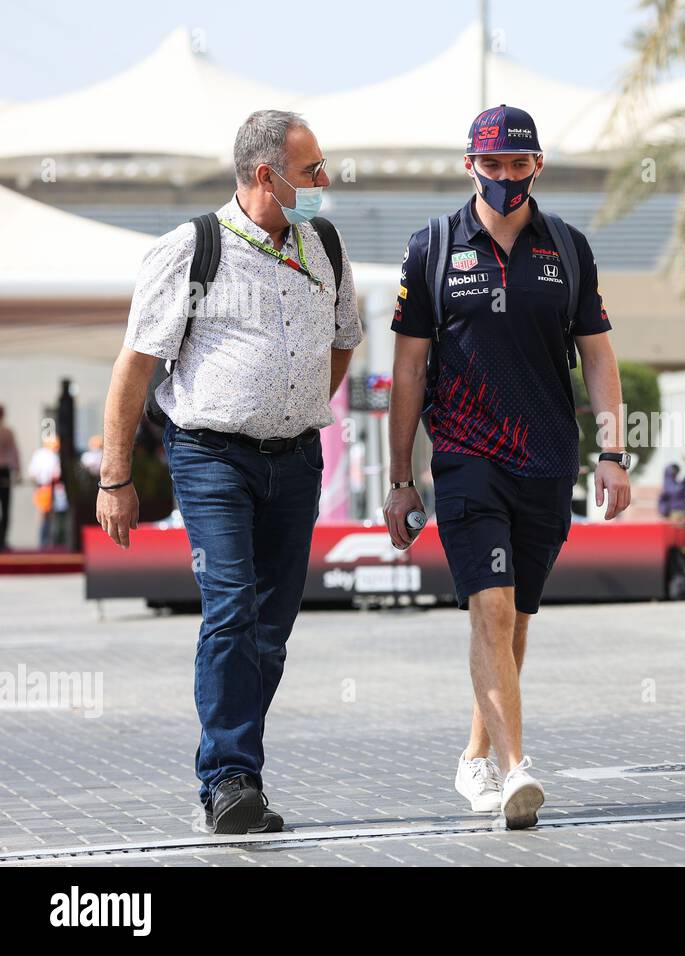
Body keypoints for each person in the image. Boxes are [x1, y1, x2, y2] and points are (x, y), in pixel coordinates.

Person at [96, 110, 363, 832]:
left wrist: (297, 400)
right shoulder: (190, 250)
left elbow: (341, 342)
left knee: (271, 626)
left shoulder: (326, 246)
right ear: (265, 176)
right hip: (211, 457)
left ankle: (231, 762)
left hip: (296, 460)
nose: (324, 182)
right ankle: (231, 778)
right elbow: (136, 366)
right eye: (312, 171)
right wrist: (115, 476)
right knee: (232, 612)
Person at [384, 105, 630, 830]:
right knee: (489, 608)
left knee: (514, 620)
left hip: (547, 459)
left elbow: (599, 356)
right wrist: (400, 479)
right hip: (464, 458)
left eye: (516, 166)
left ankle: (473, 758)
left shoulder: (569, 248)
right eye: (490, 166)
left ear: (537, 166)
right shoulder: (431, 248)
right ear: (470, 165)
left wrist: (613, 453)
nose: (503, 179)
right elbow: (407, 372)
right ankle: (517, 767)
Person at [28, 435, 63, 549]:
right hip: (47, 488)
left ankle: (45, 542)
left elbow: (32, 472)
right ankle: (46, 542)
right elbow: (56, 474)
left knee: (44, 515)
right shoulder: (52, 456)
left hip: (42, 487)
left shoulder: (39, 454)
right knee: (46, 515)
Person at [0, 405, 19, 551]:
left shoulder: (8, 432)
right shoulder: (7, 432)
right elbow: (14, 453)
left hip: (5, 471)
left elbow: (13, 452)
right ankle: (2, 539)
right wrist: (17, 471)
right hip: (4, 471)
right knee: (5, 507)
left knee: (6, 508)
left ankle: (2, 539)